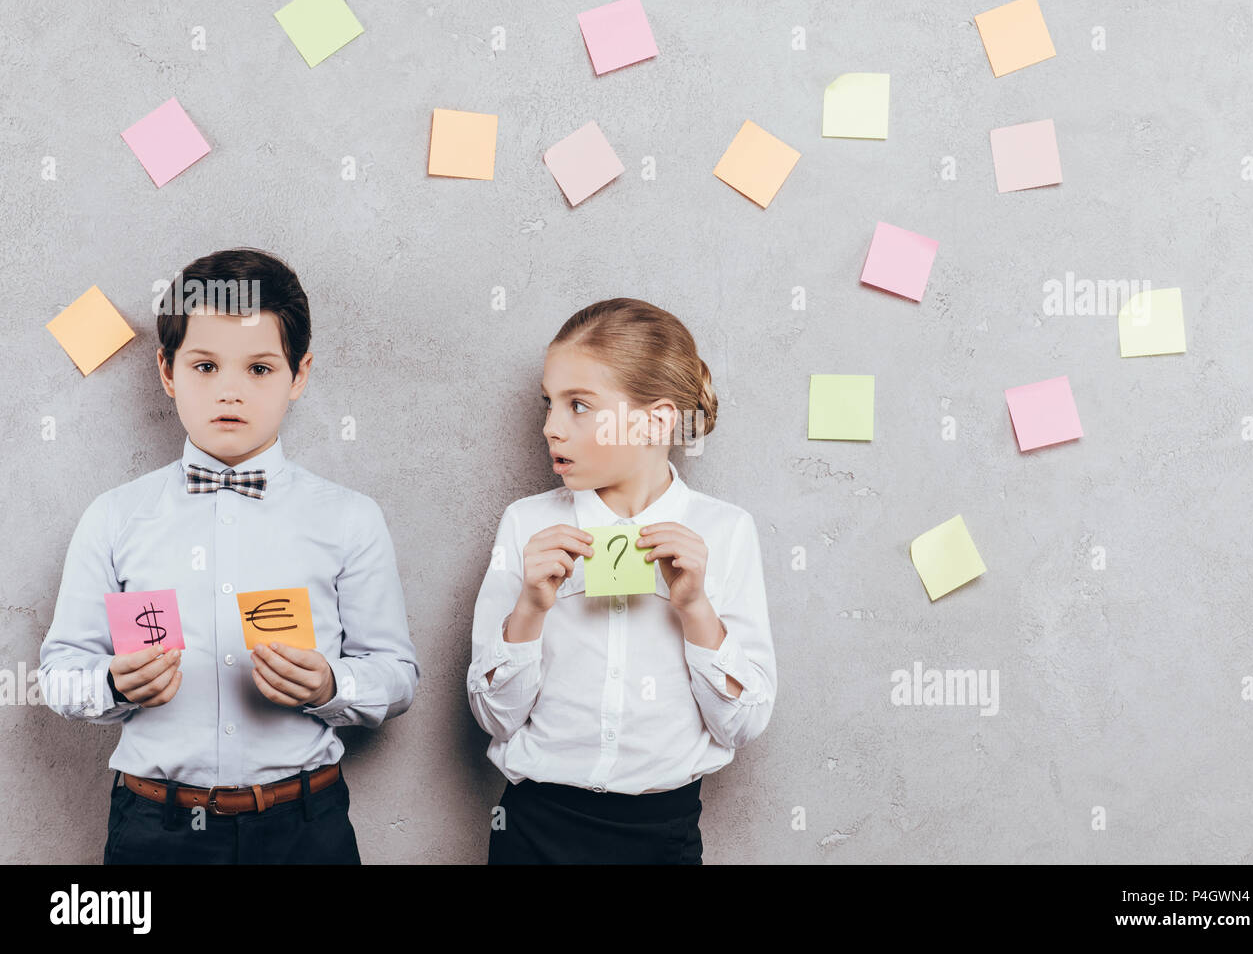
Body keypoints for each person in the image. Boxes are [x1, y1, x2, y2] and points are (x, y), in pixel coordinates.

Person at [38, 247, 419, 864]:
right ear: (167, 371)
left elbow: (397, 675)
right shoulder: (113, 517)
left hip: (305, 825)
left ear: (299, 374)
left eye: (260, 369)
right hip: (153, 827)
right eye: (206, 365)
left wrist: (331, 683)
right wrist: (111, 683)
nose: (231, 392)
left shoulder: (350, 518)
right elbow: (58, 672)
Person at [468, 297, 776, 864]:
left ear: (656, 420)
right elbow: (495, 718)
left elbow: (743, 724)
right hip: (533, 829)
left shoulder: (725, 531)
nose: (550, 427)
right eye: (549, 403)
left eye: (578, 405)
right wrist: (530, 609)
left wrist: (695, 610)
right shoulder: (527, 523)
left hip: (661, 836)